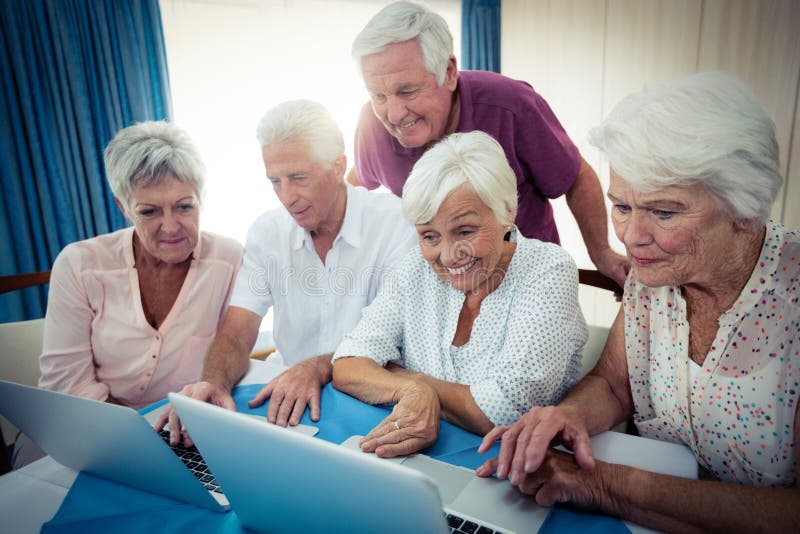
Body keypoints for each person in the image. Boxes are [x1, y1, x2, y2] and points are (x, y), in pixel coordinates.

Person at [476, 71, 800, 532]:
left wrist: (604, 485)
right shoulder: (654, 275)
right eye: (622, 207)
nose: (630, 236)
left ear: (745, 208)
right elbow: (613, 385)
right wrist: (564, 417)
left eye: (664, 212)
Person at [158, 100, 416, 444]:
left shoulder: (396, 223)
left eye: (298, 178)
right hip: (287, 399)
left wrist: (318, 366)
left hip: (373, 400)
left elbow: (399, 340)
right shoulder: (267, 233)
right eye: (275, 181)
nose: (286, 196)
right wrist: (215, 382)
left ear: (338, 166)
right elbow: (236, 332)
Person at [332, 131, 587, 458]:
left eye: (464, 231)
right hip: (422, 458)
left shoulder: (548, 269)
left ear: (507, 211)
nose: (449, 256)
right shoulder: (413, 267)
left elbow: (506, 410)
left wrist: (406, 378)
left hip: (518, 464)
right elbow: (349, 362)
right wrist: (409, 389)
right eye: (429, 236)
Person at [349, 1, 628, 287]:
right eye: (378, 96)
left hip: (526, 282)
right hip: (443, 284)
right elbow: (357, 184)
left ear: (448, 73)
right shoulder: (371, 124)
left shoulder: (513, 105)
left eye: (407, 91)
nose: (393, 114)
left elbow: (575, 177)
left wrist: (601, 253)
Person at [17, 121, 243, 467]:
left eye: (184, 207)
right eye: (149, 211)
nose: (170, 227)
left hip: (181, 434)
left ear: (202, 199)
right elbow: (67, 385)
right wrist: (145, 439)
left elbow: (233, 351)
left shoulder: (229, 259)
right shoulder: (81, 264)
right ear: (124, 207)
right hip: (83, 430)